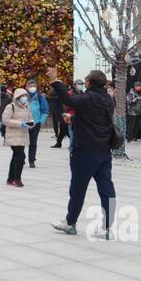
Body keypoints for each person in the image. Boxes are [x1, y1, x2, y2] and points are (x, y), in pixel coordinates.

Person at [49, 70, 117, 239]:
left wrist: (55, 80)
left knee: (78, 188)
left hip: (85, 151)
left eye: (85, 80)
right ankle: (107, 228)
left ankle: (70, 223)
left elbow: (68, 99)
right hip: (104, 151)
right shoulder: (107, 99)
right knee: (107, 188)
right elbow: (94, 118)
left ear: (89, 83)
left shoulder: (89, 97)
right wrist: (73, 118)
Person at [2, 88, 32, 187]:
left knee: (16, 157)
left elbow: (30, 118)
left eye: (25, 96)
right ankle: (17, 179)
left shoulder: (27, 107)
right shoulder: (11, 107)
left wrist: (31, 123)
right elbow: (5, 120)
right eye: (22, 96)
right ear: (17, 97)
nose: (24, 98)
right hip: (13, 135)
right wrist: (20, 123)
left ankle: (10, 179)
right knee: (21, 156)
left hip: (23, 135)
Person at [25, 79, 48, 167]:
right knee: (22, 141)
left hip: (35, 123)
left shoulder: (40, 96)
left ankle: (32, 160)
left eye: (34, 86)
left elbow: (45, 110)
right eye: (30, 86)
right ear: (26, 87)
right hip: (24, 123)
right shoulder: (23, 96)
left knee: (33, 142)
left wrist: (41, 121)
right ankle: (21, 157)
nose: (32, 88)